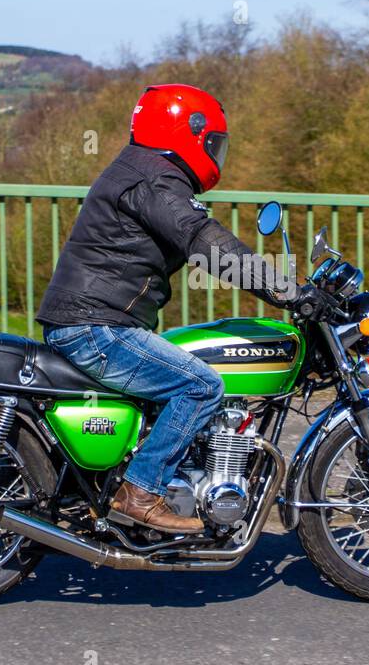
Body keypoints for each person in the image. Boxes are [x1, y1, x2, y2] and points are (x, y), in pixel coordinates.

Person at [36, 83, 337, 534]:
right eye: (213, 142)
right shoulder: (153, 177)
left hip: (92, 320)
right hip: (95, 326)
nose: (216, 153)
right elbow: (205, 242)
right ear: (188, 132)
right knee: (200, 386)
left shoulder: (141, 170)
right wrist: (289, 292)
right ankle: (140, 493)